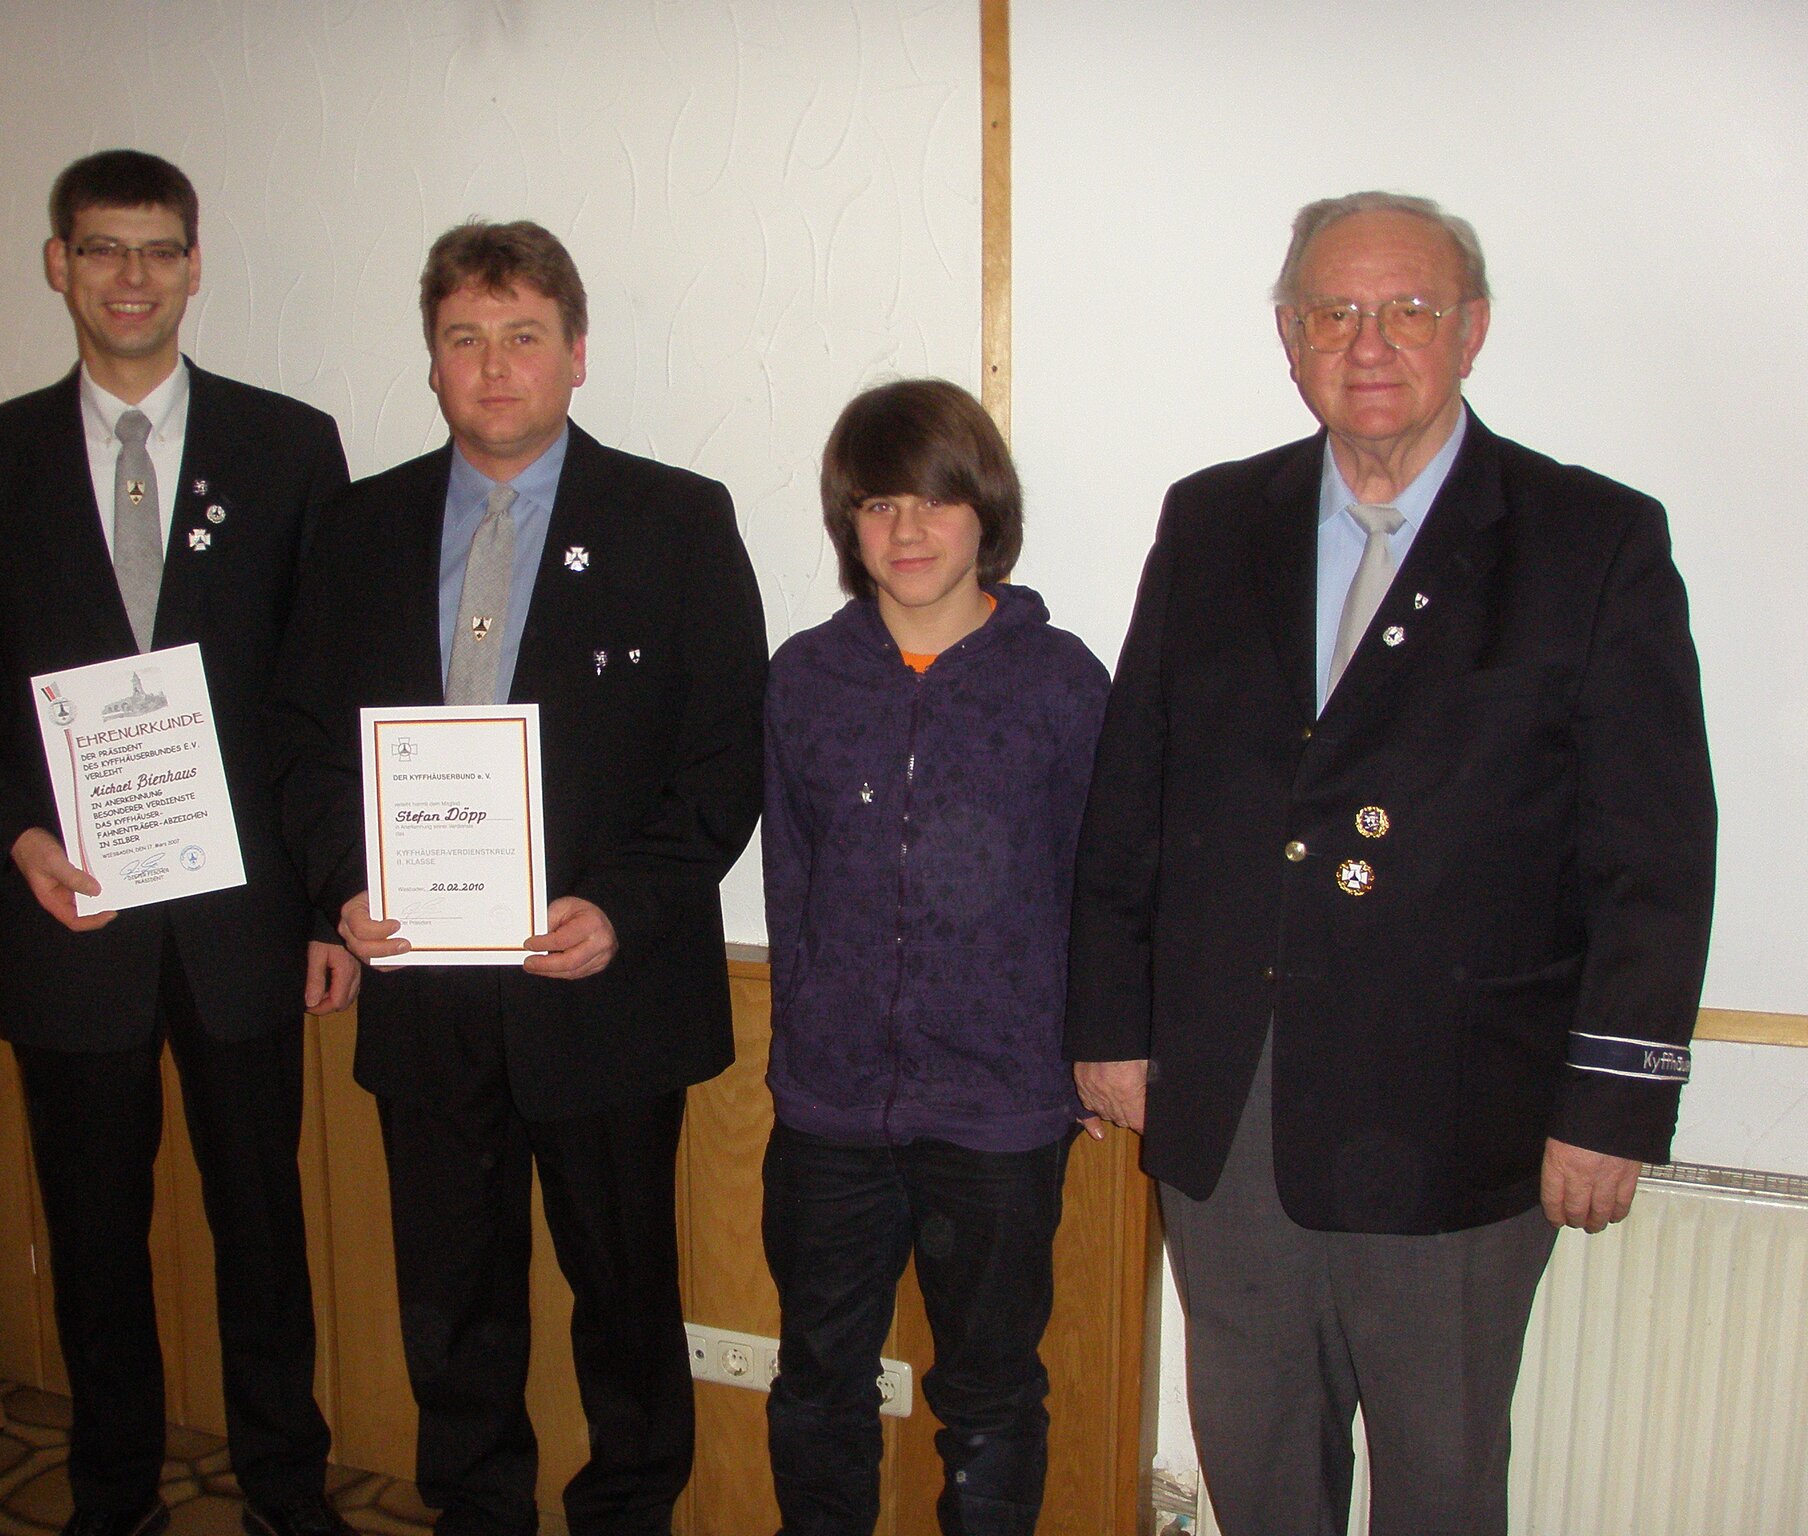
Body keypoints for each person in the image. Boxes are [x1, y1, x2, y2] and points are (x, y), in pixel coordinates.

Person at [1067, 192, 1716, 1536]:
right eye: (1334, 311)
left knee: (1439, 1475)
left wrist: (1611, 1101)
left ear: (1470, 330)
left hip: (1460, 1109)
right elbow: (1134, 792)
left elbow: (1655, 850)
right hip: (1231, 1098)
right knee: (1253, 1457)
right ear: (1290, 336)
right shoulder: (1213, 522)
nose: (1370, 341)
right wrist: (1113, 1023)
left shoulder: (1590, 542)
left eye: (1408, 308)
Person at [268, 220, 767, 1536]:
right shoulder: (359, 527)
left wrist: (627, 909)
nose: (493, 369)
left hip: (606, 995)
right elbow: (306, 747)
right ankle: (474, 1517)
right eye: (464, 340)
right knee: (452, 1313)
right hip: (424, 999)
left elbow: (724, 765)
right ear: (431, 361)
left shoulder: (676, 521)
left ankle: (627, 1519)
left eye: (523, 337)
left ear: (578, 354)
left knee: (628, 1311)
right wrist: (341, 885)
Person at [0, 150, 357, 1536]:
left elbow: (318, 697)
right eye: (102, 250)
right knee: (92, 1239)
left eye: (158, 249)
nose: (132, 277)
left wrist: (332, 906)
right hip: (70, 919)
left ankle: (286, 1483)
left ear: (197, 264)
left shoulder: (290, 446)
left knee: (263, 1230)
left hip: (248, 930)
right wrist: (17, 843)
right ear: (59, 265)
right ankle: (111, 1494)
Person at [760, 378, 1109, 1535]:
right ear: (847, 524)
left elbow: (1097, 884)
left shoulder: (1060, 683)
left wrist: (1093, 1051)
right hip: (827, 1111)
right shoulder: (804, 677)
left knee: (991, 1392)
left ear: (984, 513)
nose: (906, 532)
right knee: (815, 1382)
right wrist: (801, 1036)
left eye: (934, 501)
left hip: (1000, 1108)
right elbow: (790, 876)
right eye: (875, 505)